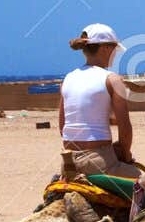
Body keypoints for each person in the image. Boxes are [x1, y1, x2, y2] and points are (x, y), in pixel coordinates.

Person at [59, 23, 140, 178]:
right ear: (105, 49)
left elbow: (63, 127)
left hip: (69, 160)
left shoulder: (68, 78)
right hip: (100, 162)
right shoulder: (112, 80)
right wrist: (125, 154)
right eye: (114, 49)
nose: (116, 54)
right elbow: (125, 128)